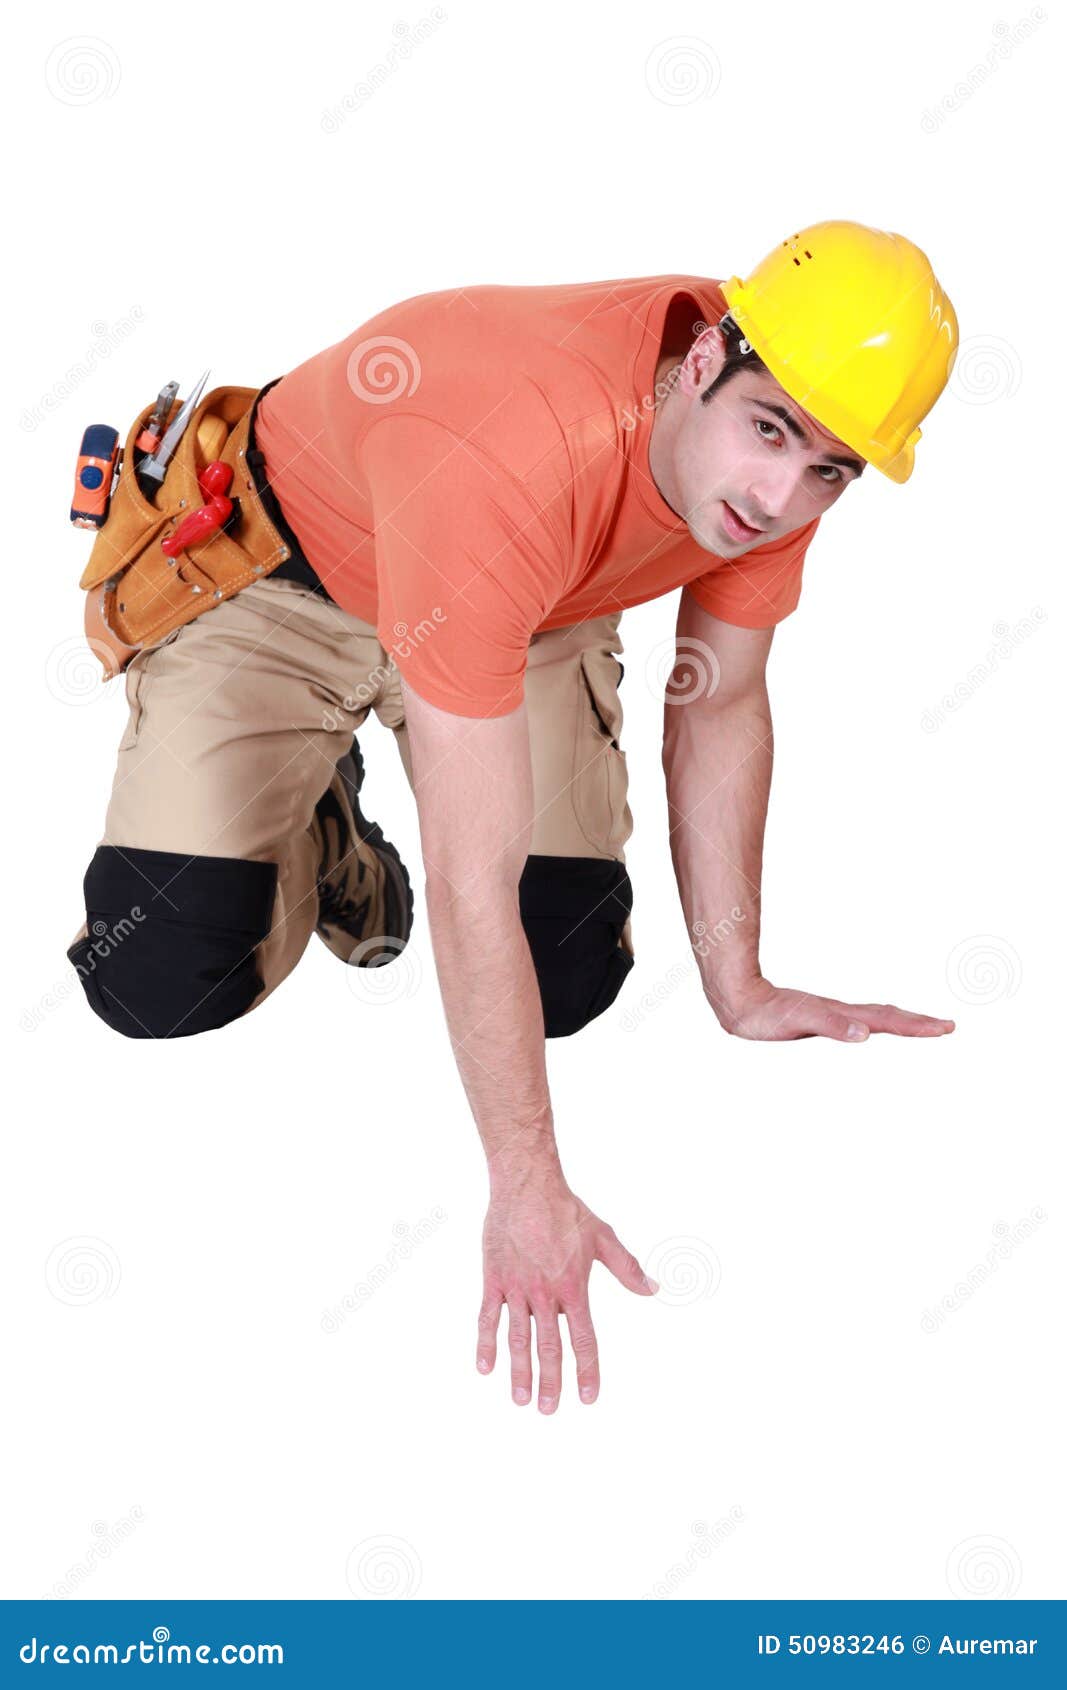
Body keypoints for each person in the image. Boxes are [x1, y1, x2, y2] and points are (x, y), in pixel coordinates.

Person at [69, 220, 960, 1413]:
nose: (777, 495)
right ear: (702, 362)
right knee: (159, 978)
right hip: (292, 579)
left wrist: (736, 983)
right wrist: (524, 1182)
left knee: (569, 974)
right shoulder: (513, 440)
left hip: (522, 599)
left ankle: (338, 823)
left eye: (827, 470)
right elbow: (466, 871)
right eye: (769, 434)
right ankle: (316, 825)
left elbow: (723, 701)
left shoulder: (767, 469)